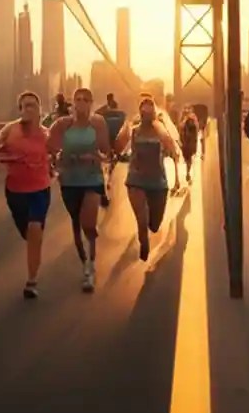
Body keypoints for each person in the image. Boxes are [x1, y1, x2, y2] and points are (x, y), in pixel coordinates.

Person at [48, 88, 112, 292]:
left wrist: (95, 158)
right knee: (76, 223)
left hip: (92, 178)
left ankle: (91, 266)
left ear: (91, 103)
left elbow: (106, 152)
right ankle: (84, 259)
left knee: (88, 224)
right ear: (73, 103)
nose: (82, 103)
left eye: (86, 99)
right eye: (78, 99)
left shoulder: (99, 123)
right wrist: (59, 160)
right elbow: (51, 149)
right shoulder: (62, 124)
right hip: (69, 180)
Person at [0, 92, 53, 298]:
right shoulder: (9, 130)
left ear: (39, 109)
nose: (28, 109)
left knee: (35, 231)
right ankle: (33, 252)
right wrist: (15, 158)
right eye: (24, 106)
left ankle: (31, 280)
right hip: (15, 191)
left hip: (40, 190)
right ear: (19, 109)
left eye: (32, 106)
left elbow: (56, 155)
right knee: (27, 234)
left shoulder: (47, 135)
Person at [115, 96, 180, 262]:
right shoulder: (134, 130)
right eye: (143, 109)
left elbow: (172, 149)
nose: (146, 113)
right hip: (136, 179)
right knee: (142, 220)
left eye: (149, 109)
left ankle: (148, 230)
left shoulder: (161, 131)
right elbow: (120, 145)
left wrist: (177, 178)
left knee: (155, 224)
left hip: (157, 181)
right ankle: (143, 241)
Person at [179, 110, 201, 187]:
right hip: (188, 144)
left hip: (186, 144)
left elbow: (182, 131)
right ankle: (188, 172)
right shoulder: (191, 119)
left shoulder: (186, 120)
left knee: (188, 160)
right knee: (189, 160)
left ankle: (188, 172)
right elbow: (196, 132)